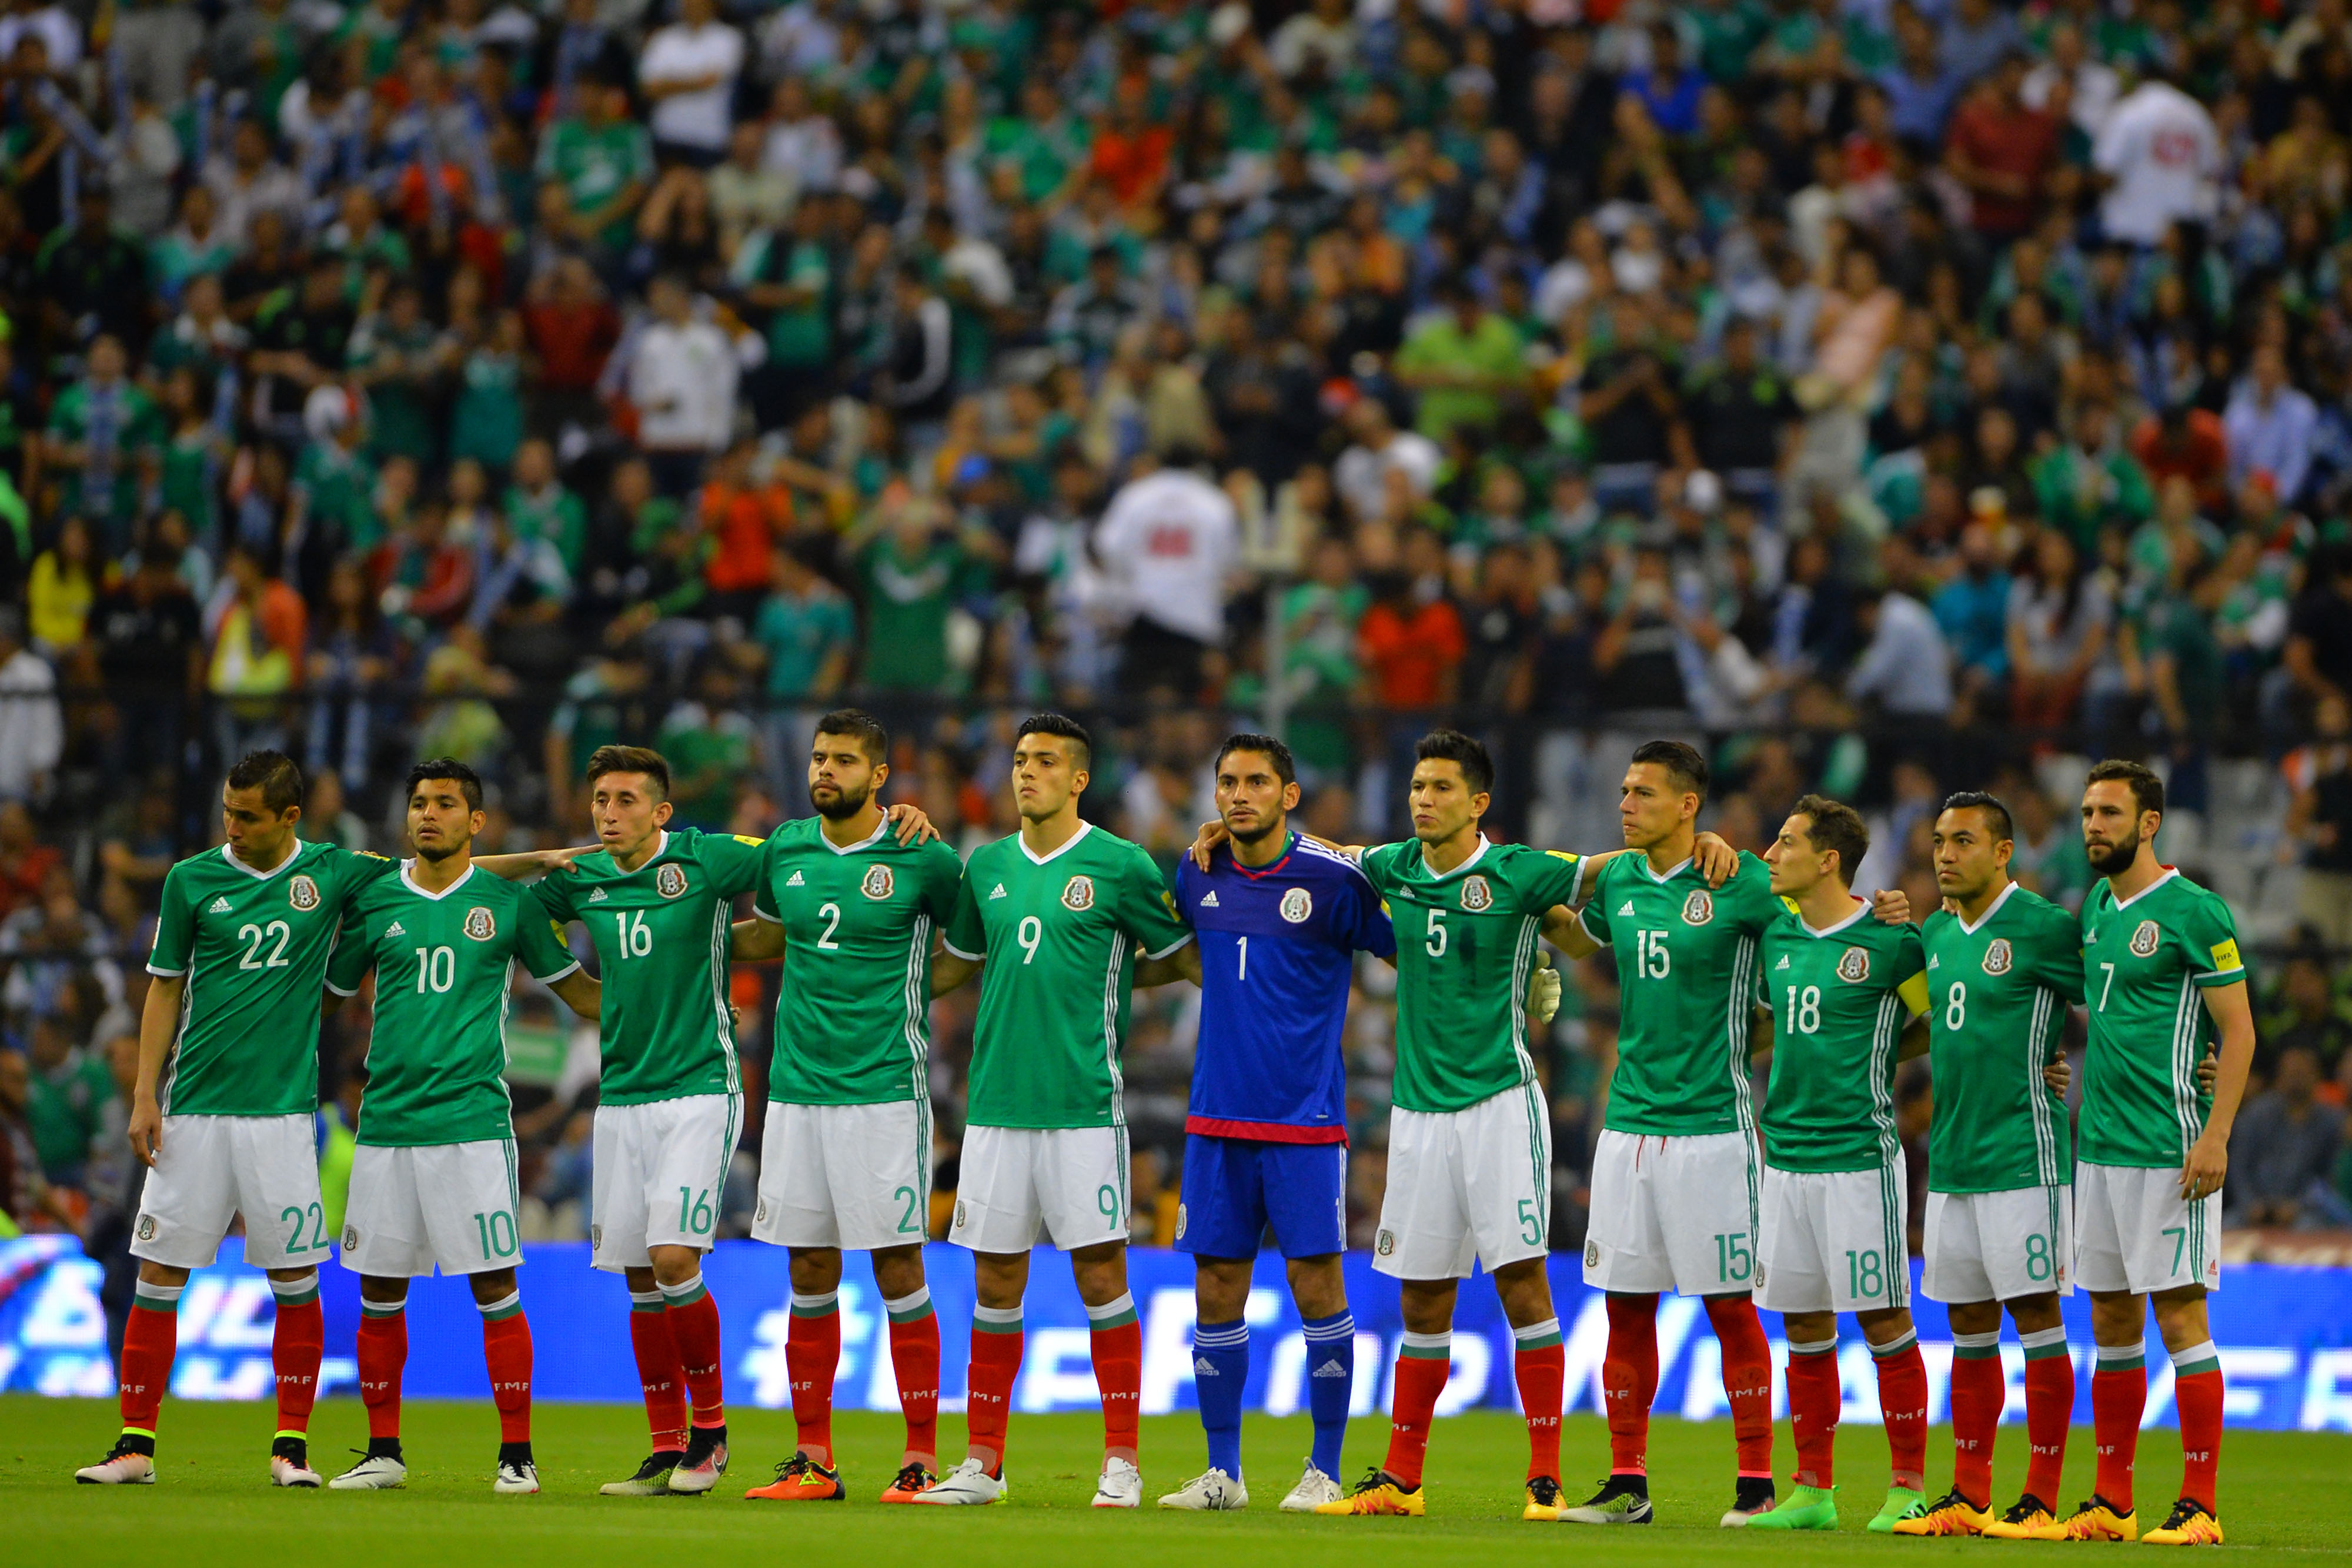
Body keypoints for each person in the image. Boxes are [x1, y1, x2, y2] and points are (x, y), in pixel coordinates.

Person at [73, 750, 560, 1487]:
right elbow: (164, 990)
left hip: (284, 1118)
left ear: (289, 818)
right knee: (158, 1273)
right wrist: (145, 1092)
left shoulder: (335, 870)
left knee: (295, 1278)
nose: (230, 828)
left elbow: (440, 872)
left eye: (246, 817)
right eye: (227, 813)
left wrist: (538, 860)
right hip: (193, 1108)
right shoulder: (190, 880)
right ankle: (135, 1444)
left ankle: (292, 1447)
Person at [1546, 742, 1901, 1528]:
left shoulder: (1743, 881)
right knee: (1626, 1308)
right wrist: (1533, 911)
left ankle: (1755, 1483)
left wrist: (1885, 913)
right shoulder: (1624, 880)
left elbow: (1821, 944)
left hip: (1714, 1128)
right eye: (1622, 789)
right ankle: (1627, 1481)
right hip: (1628, 1124)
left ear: (1687, 804)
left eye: (1641, 792)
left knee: (1730, 1305)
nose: (1625, 803)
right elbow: (1580, 937)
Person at [529, 744, 890, 1497]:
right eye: (600, 800)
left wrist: (893, 823)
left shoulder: (709, 860)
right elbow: (513, 910)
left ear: (661, 812)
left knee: (670, 1259)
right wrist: (574, 987)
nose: (609, 813)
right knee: (635, 1272)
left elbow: (799, 850)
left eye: (627, 801)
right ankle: (665, 1447)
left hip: (699, 1086)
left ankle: (712, 1433)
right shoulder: (582, 877)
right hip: (621, 1094)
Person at [1301, 730, 1598, 1522]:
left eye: (1439, 787)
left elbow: (1607, 874)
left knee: (1522, 1283)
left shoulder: (1517, 870)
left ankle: (1544, 1476)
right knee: (1423, 1299)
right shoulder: (1398, 863)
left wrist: (1693, 843)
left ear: (1478, 802)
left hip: (1501, 1104)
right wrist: (1236, 832)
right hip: (1419, 1116)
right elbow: (1328, 851)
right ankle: (1402, 1476)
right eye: (1417, 786)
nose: (1422, 798)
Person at [916, 714, 1196, 1509]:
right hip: (996, 1106)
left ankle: (1122, 1460)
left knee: (1102, 1274)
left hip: (1083, 1106)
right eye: (1018, 760)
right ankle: (982, 1461)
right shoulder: (988, 867)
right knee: (995, 1281)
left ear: (1078, 778)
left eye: (1044, 761)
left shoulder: (1121, 864)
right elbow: (959, 967)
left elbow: (1178, 956)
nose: (1026, 772)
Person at [320, 759, 603, 1495]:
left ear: (476, 823)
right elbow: (325, 998)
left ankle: (517, 1456)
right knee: (379, 1292)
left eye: (445, 804)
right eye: (418, 803)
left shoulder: (507, 906)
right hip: (385, 1125)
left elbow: (577, 992)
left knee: (494, 1287)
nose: (428, 815)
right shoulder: (377, 898)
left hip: (472, 1123)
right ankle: (383, 1450)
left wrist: (672, 1005)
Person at [726, 710, 964, 1504]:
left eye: (845, 760)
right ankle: (813, 1457)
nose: (826, 769)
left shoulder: (923, 856)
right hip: (795, 1090)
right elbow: (773, 934)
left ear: (881, 775)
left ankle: (923, 1455)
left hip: (884, 1091)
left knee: (898, 1264)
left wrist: (906, 999)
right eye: (821, 757)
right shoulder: (786, 848)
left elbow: (967, 947)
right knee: (808, 1266)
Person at [1153, 733, 1395, 1513]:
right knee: (1215, 1284)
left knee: (1314, 1280)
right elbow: (1181, 946)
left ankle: (1324, 1468)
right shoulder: (1199, 867)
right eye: (1228, 780)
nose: (1239, 793)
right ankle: (1223, 1472)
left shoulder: (1333, 878)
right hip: (1215, 1118)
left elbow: (1411, 951)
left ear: (1289, 794)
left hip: (1304, 1119)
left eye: (1257, 780)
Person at [2040, 760, 2256, 1544]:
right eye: (2088, 811)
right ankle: (2112, 1499)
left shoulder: (2194, 909)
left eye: (2108, 812)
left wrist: (2216, 1132)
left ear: (2150, 821)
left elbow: (2239, 1028)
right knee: (2112, 1321)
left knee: (2182, 1317)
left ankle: (2199, 1504)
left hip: (2172, 1147)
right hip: (2096, 1148)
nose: (2093, 824)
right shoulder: (2095, 905)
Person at [1896, 793, 2085, 1538]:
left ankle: (2039, 1496)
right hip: (1951, 1162)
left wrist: (2197, 1055)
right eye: (1940, 840)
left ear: (2002, 853)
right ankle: (1969, 1495)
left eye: (1963, 841)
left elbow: (2119, 997)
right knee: (1969, 1327)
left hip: (2023, 1159)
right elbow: (1930, 1021)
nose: (1945, 853)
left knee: (2036, 1319)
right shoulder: (1936, 932)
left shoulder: (2042, 929)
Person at [1742, 796, 1931, 1534]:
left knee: (1884, 1320)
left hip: (1859, 1157)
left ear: (1828, 859)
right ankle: (1812, 1492)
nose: (1770, 853)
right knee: (1804, 1327)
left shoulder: (1894, 946)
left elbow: (1939, 1023)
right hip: (1783, 1156)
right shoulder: (1776, 940)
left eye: (1784, 842)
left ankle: (1908, 1486)